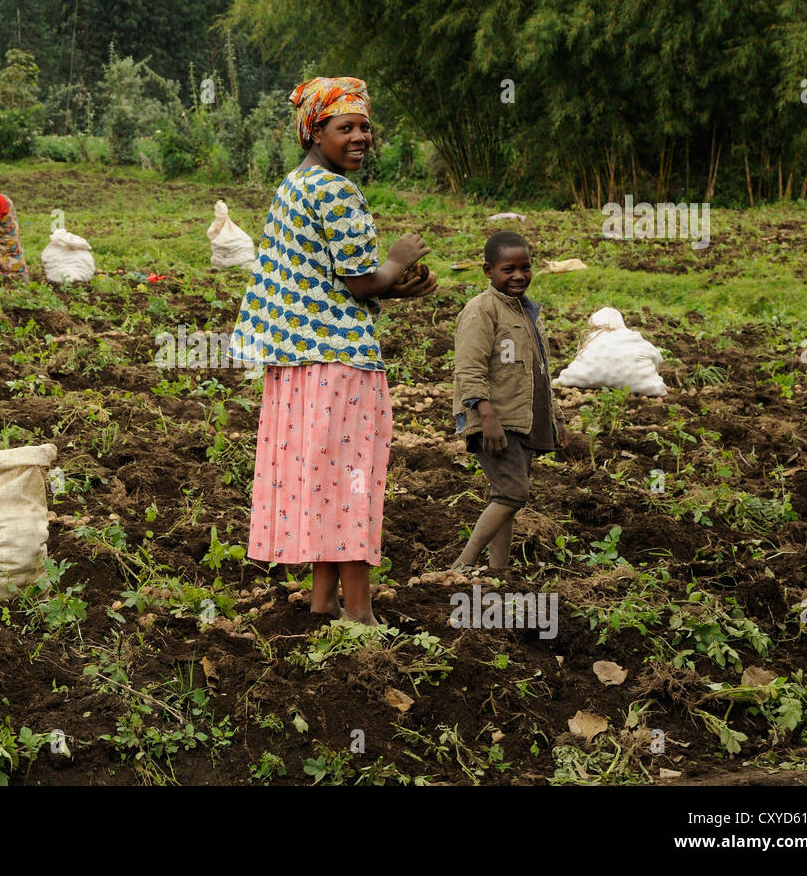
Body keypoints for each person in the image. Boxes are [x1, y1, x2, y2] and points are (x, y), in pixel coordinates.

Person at [230, 76, 437, 626]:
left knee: (320, 480)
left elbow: (327, 281)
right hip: (341, 365)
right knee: (351, 481)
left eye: (365, 126)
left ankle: (322, 604)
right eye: (345, 127)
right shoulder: (338, 192)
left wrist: (394, 286)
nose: (360, 136)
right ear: (315, 132)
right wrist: (398, 261)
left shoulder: (292, 187)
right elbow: (360, 283)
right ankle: (360, 615)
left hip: (298, 361)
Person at [450, 230, 567, 572]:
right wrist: (486, 416)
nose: (519, 276)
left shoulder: (526, 313)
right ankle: (463, 563)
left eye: (525, 268)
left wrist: (556, 416)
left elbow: (540, 370)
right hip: (495, 421)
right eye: (508, 269)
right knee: (513, 493)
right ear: (488, 271)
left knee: (506, 496)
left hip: (523, 419)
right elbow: (468, 369)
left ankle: (498, 570)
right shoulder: (481, 311)